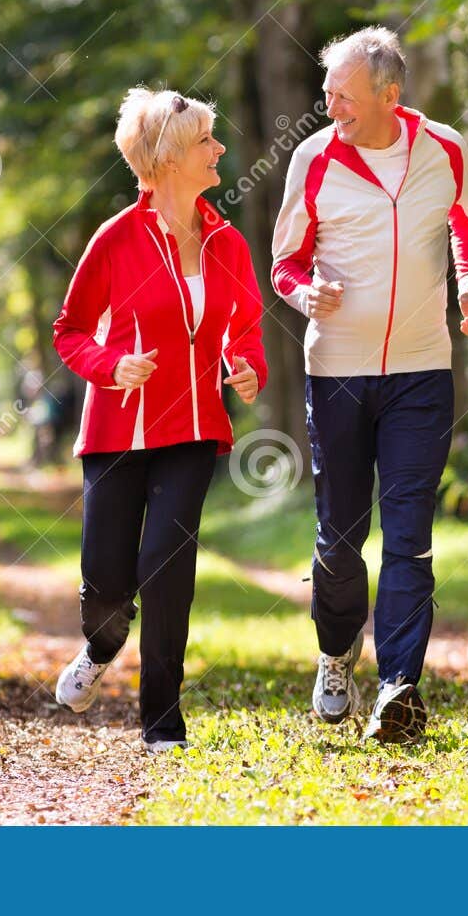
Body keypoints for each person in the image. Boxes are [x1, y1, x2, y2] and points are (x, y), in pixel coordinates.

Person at [271, 26, 468, 744]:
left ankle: (399, 684)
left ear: (388, 95)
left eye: (342, 92)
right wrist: (308, 295)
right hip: (336, 368)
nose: (328, 102)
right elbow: (284, 265)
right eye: (326, 89)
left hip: (422, 369)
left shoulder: (444, 148)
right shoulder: (313, 158)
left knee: (410, 532)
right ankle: (337, 653)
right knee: (340, 536)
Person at [52, 88, 267, 753]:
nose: (220, 149)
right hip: (117, 431)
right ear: (171, 157)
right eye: (207, 140)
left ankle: (162, 724)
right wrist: (111, 364)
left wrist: (246, 366)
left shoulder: (227, 241)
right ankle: (100, 645)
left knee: (167, 565)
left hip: (194, 427)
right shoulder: (116, 239)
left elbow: (246, 326)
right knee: (108, 590)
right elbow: (71, 330)